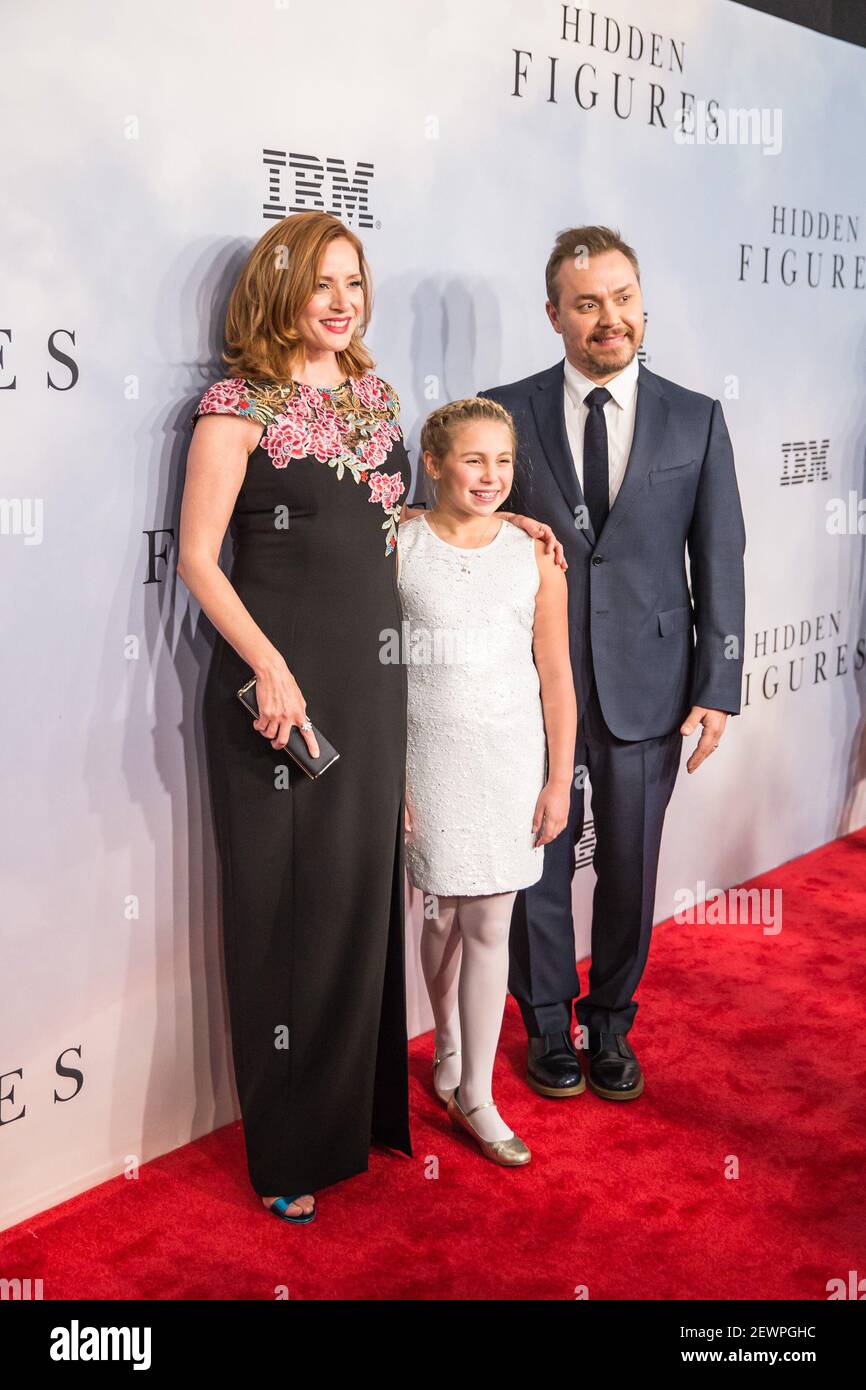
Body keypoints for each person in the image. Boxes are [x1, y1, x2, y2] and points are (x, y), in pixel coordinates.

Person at [178, 211, 567, 1222]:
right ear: (279, 291)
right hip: (276, 696)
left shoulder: (370, 397)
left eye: (354, 280)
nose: (343, 300)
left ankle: (348, 1117)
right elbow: (198, 558)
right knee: (282, 914)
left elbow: (387, 519)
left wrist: (497, 517)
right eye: (321, 282)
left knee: (355, 904)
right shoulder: (235, 404)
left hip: (371, 681)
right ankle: (286, 1151)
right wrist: (266, 666)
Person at [479, 225, 746, 1103]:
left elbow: (722, 560)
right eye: (588, 303)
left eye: (623, 298)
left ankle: (611, 1023)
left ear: (643, 302)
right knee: (537, 866)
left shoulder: (695, 417)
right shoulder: (502, 413)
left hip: (652, 684)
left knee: (631, 865)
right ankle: (548, 1027)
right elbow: (460, 535)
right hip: (532, 685)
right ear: (554, 313)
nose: (610, 319)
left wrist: (717, 688)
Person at [397, 398, 577, 1165]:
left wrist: (558, 779)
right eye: (474, 460)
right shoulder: (395, 544)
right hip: (424, 760)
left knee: (490, 925)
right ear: (434, 463)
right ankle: (446, 1050)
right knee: (439, 918)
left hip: (510, 760)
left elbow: (556, 676)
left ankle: (478, 1092)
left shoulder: (535, 554)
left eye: (503, 463)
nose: (491, 477)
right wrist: (389, 778)